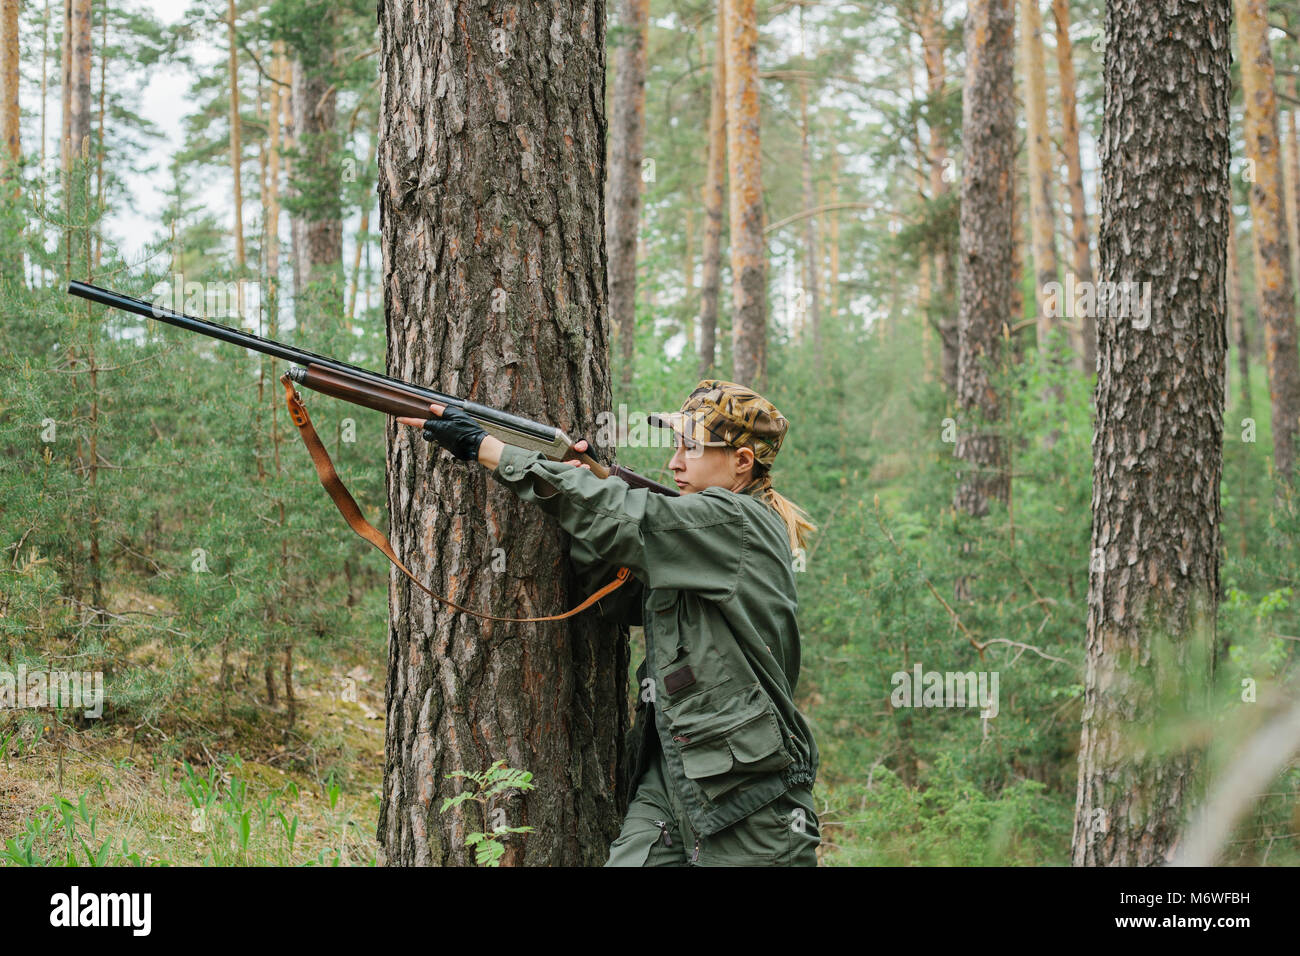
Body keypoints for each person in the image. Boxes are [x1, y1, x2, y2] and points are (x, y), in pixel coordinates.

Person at [397, 379, 821, 866]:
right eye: (677, 446)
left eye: (692, 448)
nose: (675, 462)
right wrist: (578, 476)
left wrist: (492, 450)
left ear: (742, 462)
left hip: (752, 799)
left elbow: (625, 519)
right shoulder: (697, 534)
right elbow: (617, 593)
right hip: (677, 776)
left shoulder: (737, 520)